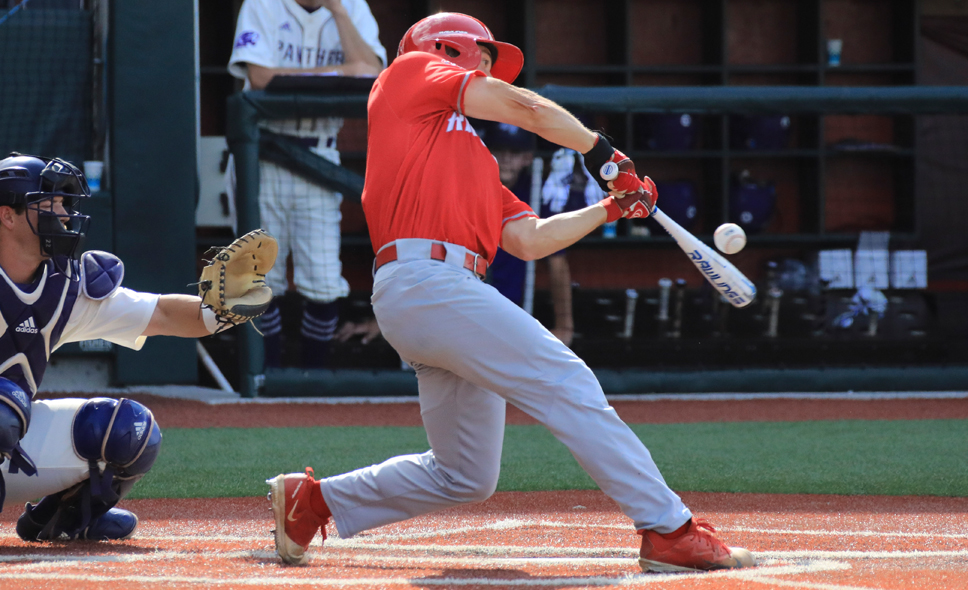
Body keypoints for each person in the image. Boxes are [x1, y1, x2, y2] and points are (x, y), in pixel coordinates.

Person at [264, 12, 754, 573]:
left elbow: (529, 239)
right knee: (566, 380)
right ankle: (668, 529)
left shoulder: (472, 157)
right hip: (426, 281)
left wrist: (610, 207)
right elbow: (527, 108)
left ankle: (314, 502)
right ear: (445, 48)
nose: (491, 68)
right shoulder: (406, 73)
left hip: (440, 293)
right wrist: (602, 152)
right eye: (485, 56)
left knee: (465, 474)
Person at [0, 154, 253, 542]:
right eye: (48, 204)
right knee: (6, 406)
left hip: (12, 444)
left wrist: (221, 309)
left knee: (129, 429)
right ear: (8, 216)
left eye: (64, 203)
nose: (64, 214)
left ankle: (67, 519)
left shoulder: (63, 287)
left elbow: (163, 315)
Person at [227, 0, 386, 369]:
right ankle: (265, 376)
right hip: (262, 153)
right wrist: (340, 72)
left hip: (320, 153)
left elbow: (372, 73)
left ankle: (313, 380)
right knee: (261, 279)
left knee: (324, 282)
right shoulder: (261, 5)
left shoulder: (353, 8)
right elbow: (261, 77)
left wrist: (340, 13)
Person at [480, 123, 598, 345]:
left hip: (515, 309)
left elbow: (557, 260)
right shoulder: (471, 186)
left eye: (514, 152)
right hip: (469, 305)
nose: (505, 158)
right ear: (486, 151)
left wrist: (565, 325)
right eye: (499, 150)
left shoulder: (536, 190)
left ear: (527, 157)